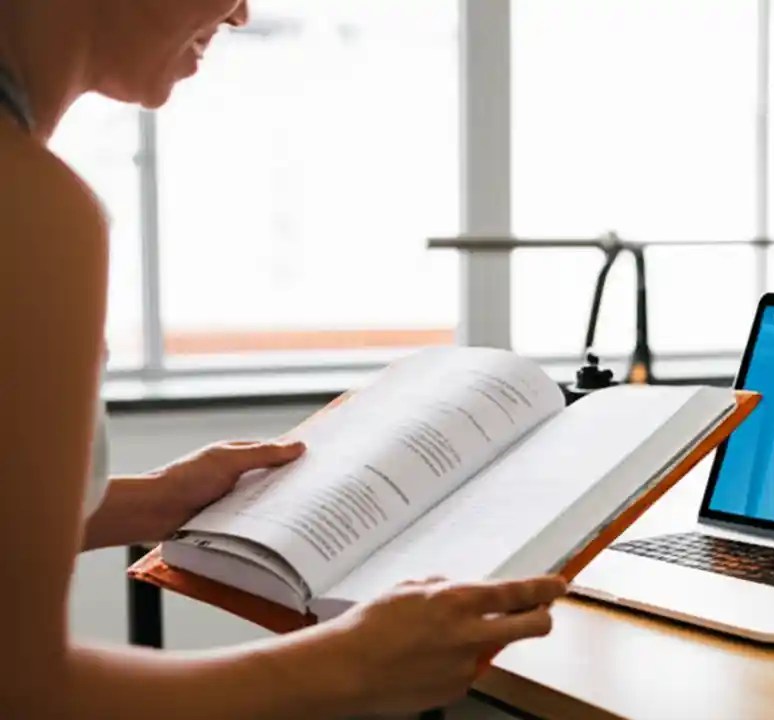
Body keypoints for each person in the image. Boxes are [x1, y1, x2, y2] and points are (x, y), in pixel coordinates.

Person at [0, 1, 566, 716]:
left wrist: (156, 500)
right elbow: (19, 689)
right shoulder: (28, 205)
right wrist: (344, 667)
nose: (241, 12)